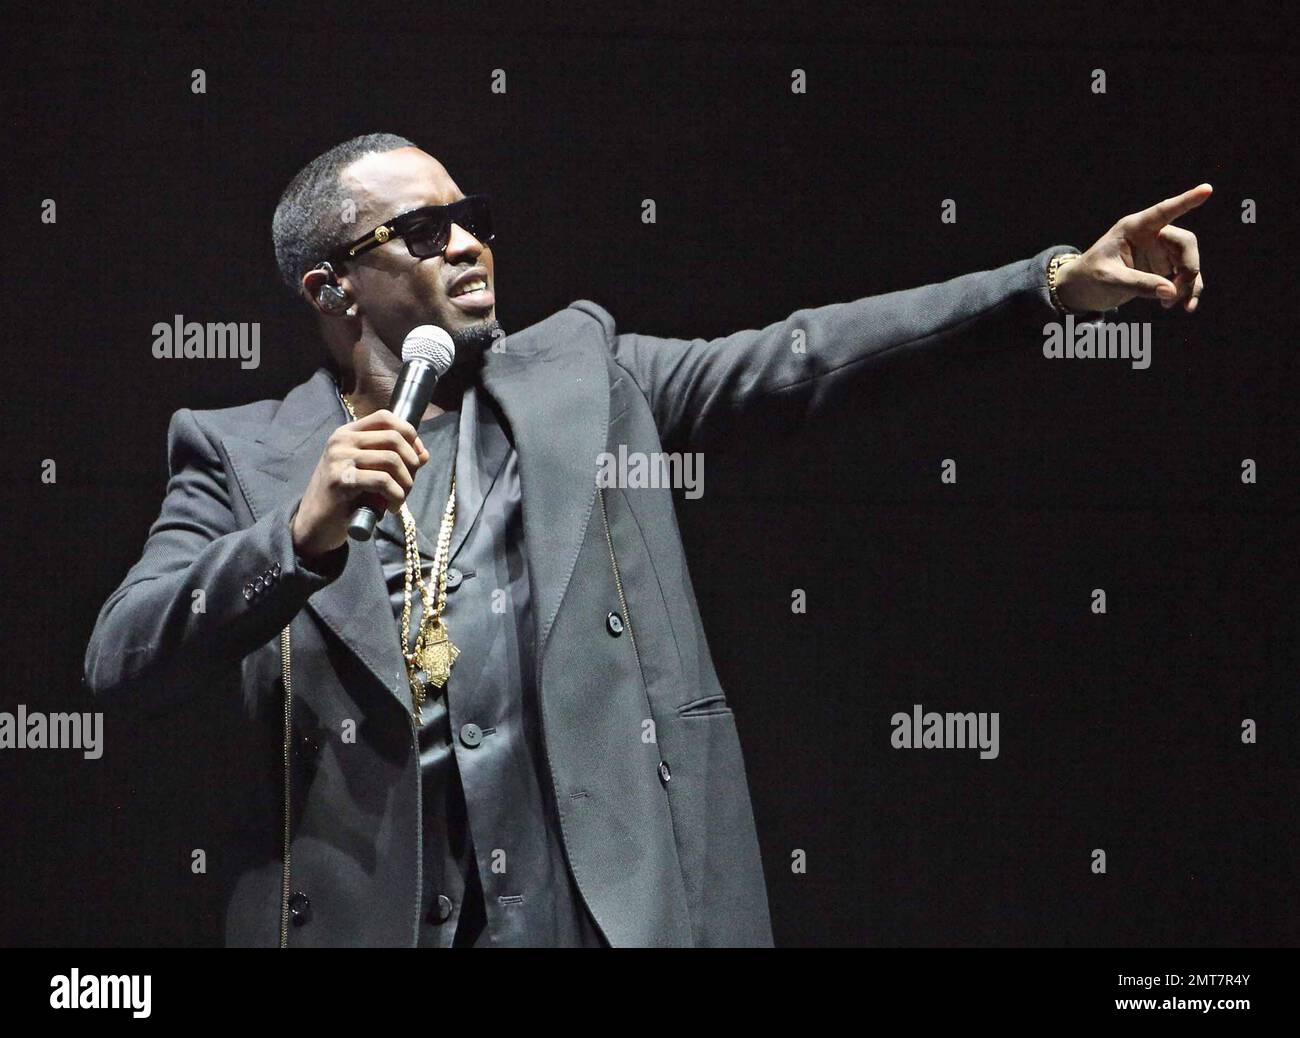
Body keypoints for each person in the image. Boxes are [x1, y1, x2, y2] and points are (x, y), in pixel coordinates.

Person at [83, 132, 1209, 947]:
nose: (472, 244)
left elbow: (805, 357)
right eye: (425, 232)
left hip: (607, 913)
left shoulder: (584, 375)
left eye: (476, 217)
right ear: (331, 286)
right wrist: (297, 535)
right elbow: (121, 659)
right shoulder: (241, 455)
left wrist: (1046, 286)